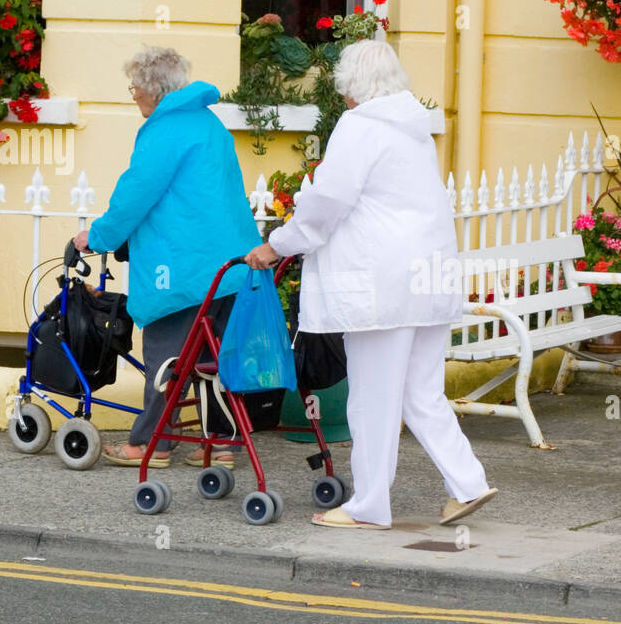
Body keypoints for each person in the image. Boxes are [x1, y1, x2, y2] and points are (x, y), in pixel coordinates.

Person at [246, 40, 497, 529]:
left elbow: (327, 201)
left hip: (381, 285)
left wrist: (279, 243)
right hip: (428, 276)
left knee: (372, 397)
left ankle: (369, 506)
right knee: (422, 393)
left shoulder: (360, 126)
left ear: (351, 87)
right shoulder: (414, 128)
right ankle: (468, 484)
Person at [73, 46, 259, 468]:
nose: (133, 94)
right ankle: (221, 445)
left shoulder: (164, 130)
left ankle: (151, 444)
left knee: (166, 360)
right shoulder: (208, 124)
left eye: (135, 86)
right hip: (231, 263)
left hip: (183, 267)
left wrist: (97, 236)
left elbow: (135, 194)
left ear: (153, 89)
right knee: (214, 359)